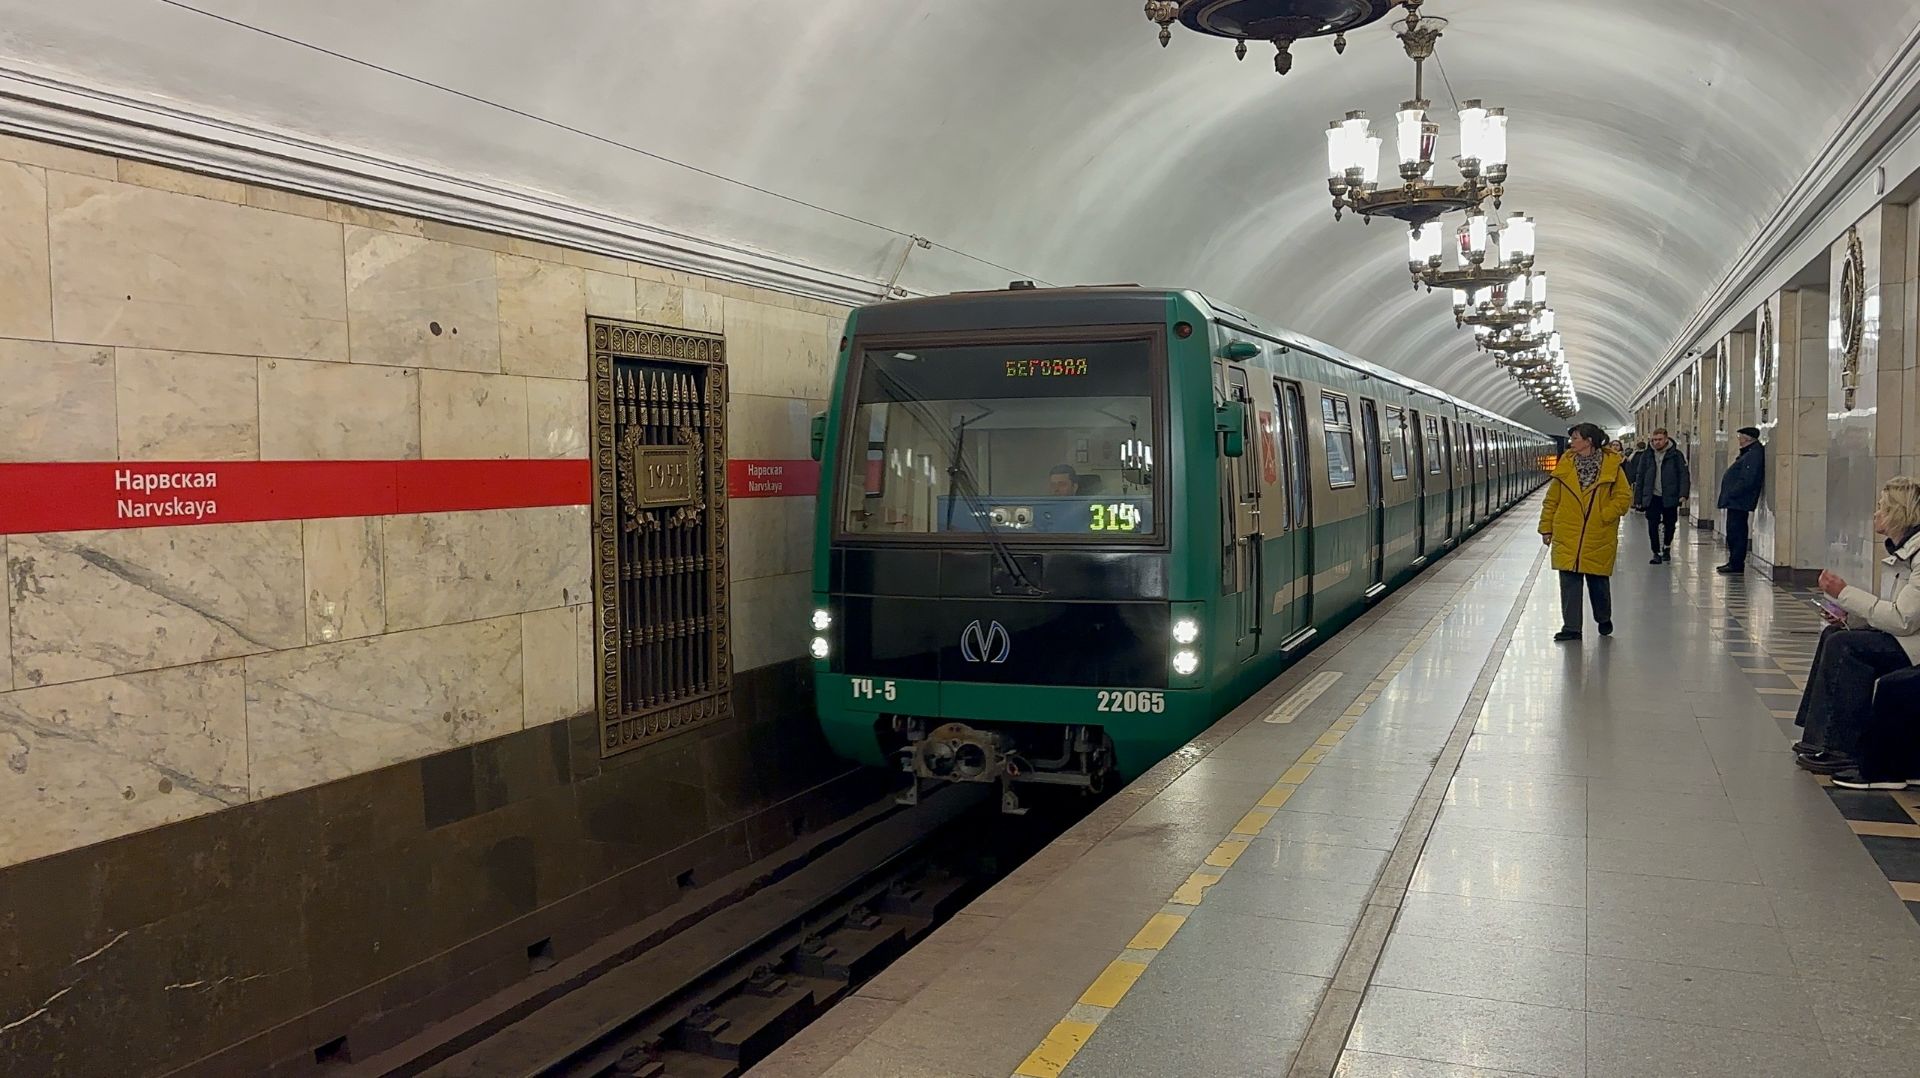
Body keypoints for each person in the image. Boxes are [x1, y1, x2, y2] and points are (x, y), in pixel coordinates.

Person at [1795, 476, 1920, 782]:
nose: (1875, 514)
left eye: (1882, 507)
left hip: (1913, 646)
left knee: (1846, 648)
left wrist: (1845, 593)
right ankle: (1818, 737)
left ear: (1898, 513)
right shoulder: (1905, 552)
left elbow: (1903, 619)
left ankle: (1839, 746)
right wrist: (1850, 618)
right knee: (1835, 634)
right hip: (1907, 639)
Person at [1540, 422, 1634, 641]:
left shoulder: (1612, 466)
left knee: (1598, 581)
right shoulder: (1565, 465)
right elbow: (1552, 499)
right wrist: (1546, 527)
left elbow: (1623, 497)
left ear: (1588, 441)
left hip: (1598, 533)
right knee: (1569, 582)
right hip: (1567, 531)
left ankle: (1603, 617)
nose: (1571, 442)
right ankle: (1571, 627)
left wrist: (1605, 514)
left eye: (1575, 438)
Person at [1631, 428, 1691, 564]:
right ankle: (1656, 552)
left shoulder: (1676, 455)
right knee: (1652, 523)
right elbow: (1640, 476)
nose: (1657, 442)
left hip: (1670, 494)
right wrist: (1638, 498)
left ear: (1666, 439)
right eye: (1654, 440)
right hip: (1652, 495)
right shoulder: (1647, 455)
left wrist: (1683, 493)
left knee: (1670, 523)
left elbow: (1683, 475)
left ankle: (1667, 546)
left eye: (1659, 439)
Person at [1716, 426, 1765, 574]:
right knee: (1734, 531)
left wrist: (1733, 492)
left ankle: (1736, 563)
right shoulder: (1749, 453)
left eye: (1740, 437)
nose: (1739, 440)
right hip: (1737, 501)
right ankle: (1734, 561)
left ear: (1747, 438)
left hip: (1740, 501)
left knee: (1737, 532)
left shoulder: (1753, 454)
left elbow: (1748, 479)